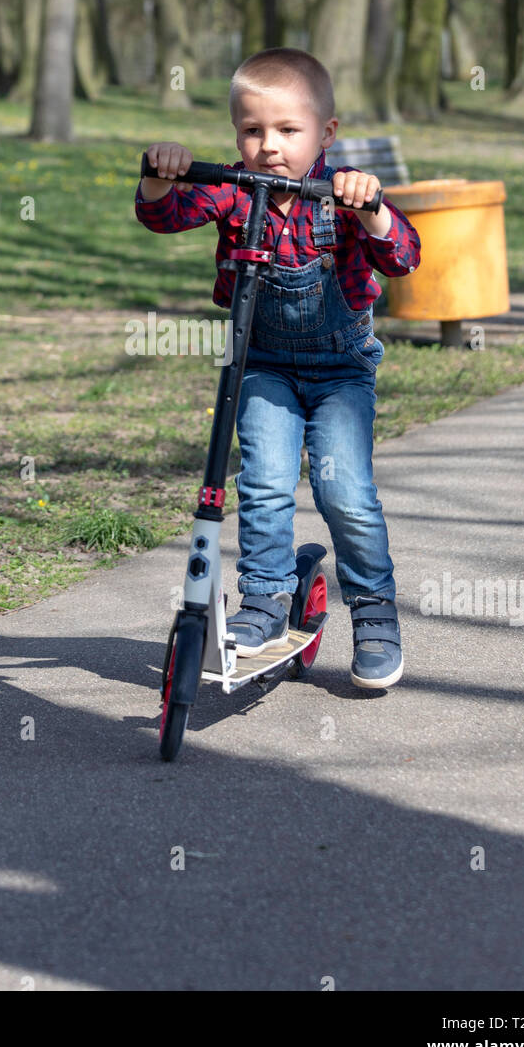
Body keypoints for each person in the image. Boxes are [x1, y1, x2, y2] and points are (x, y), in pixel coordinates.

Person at [135, 47, 420, 689]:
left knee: (343, 490)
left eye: (288, 130)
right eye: (252, 130)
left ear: (326, 133)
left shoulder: (342, 195)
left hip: (340, 371)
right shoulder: (234, 189)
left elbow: (403, 257)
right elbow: (162, 214)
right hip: (262, 366)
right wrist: (161, 172)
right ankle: (264, 601)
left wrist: (370, 206)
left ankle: (374, 612)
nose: (269, 147)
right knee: (262, 485)